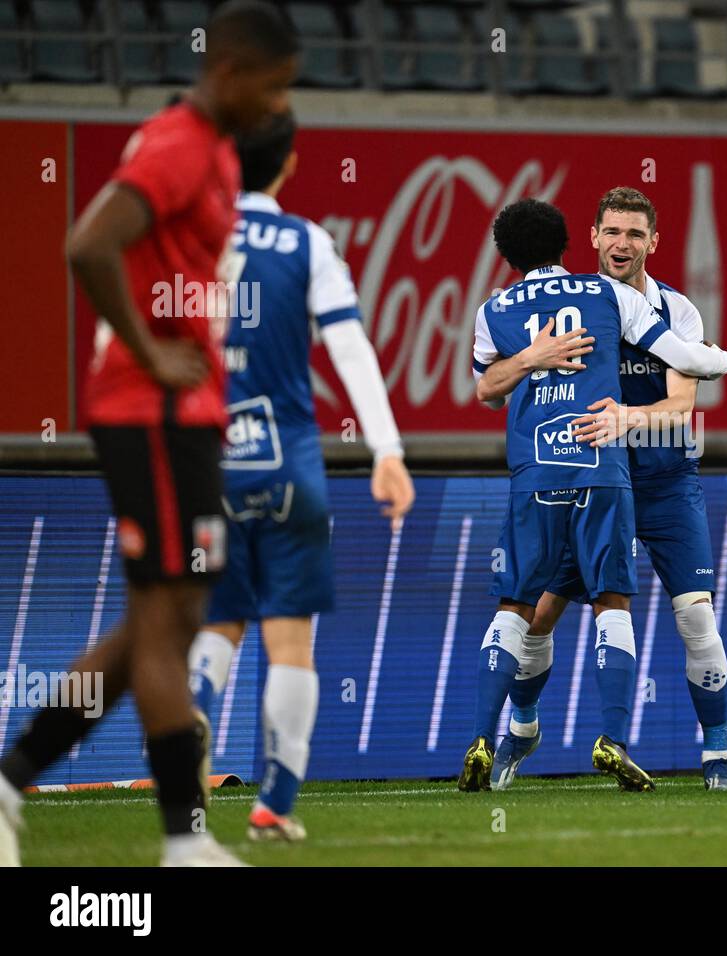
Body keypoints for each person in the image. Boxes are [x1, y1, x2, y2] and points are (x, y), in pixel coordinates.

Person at [0, 0, 299, 867]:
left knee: (163, 617)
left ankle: (11, 781)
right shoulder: (176, 143)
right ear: (234, 71)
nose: (279, 106)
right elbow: (89, 244)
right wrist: (152, 355)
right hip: (152, 412)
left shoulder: (211, 150)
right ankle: (183, 842)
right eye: (274, 87)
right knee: (168, 621)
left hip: (185, 418)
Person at [186, 111, 415, 842]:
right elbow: (350, 348)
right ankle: (274, 804)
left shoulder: (189, 240)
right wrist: (386, 450)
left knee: (219, 615)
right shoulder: (306, 241)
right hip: (285, 458)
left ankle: (195, 702)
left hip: (205, 457)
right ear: (287, 164)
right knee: (289, 637)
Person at [459, 198, 727, 792]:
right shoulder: (591, 297)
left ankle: (717, 757)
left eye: (635, 233)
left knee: (696, 618)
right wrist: (532, 358)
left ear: (653, 241)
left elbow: (683, 406)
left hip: (660, 484)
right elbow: (488, 384)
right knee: (540, 618)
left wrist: (626, 418)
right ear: (591, 236)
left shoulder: (671, 308)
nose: (622, 242)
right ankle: (522, 730)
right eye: (612, 230)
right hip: (595, 476)